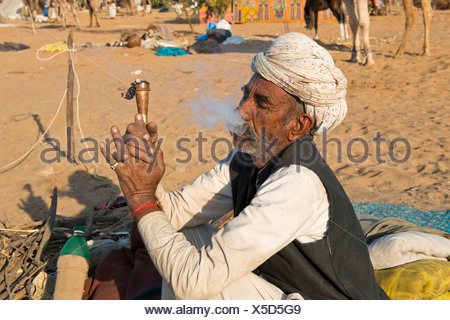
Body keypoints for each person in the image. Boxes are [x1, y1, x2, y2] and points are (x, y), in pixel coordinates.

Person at [85, 32, 388, 300]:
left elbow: (193, 283)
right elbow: (176, 214)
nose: (241, 110)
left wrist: (140, 199)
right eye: (246, 94)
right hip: (279, 287)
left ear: (298, 125)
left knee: (197, 286)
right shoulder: (247, 157)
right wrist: (144, 176)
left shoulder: (297, 185)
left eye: (262, 102)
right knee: (182, 239)